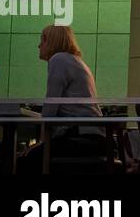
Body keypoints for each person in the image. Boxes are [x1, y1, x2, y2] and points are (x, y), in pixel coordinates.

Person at [16, 26, 104, 173]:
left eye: (42, 40)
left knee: (24, 160)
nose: (39, 45)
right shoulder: (76, 61)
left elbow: (50, 108)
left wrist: (41, 143)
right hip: (94, 138)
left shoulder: (59, 59)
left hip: (80, 138)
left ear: (51, 42)